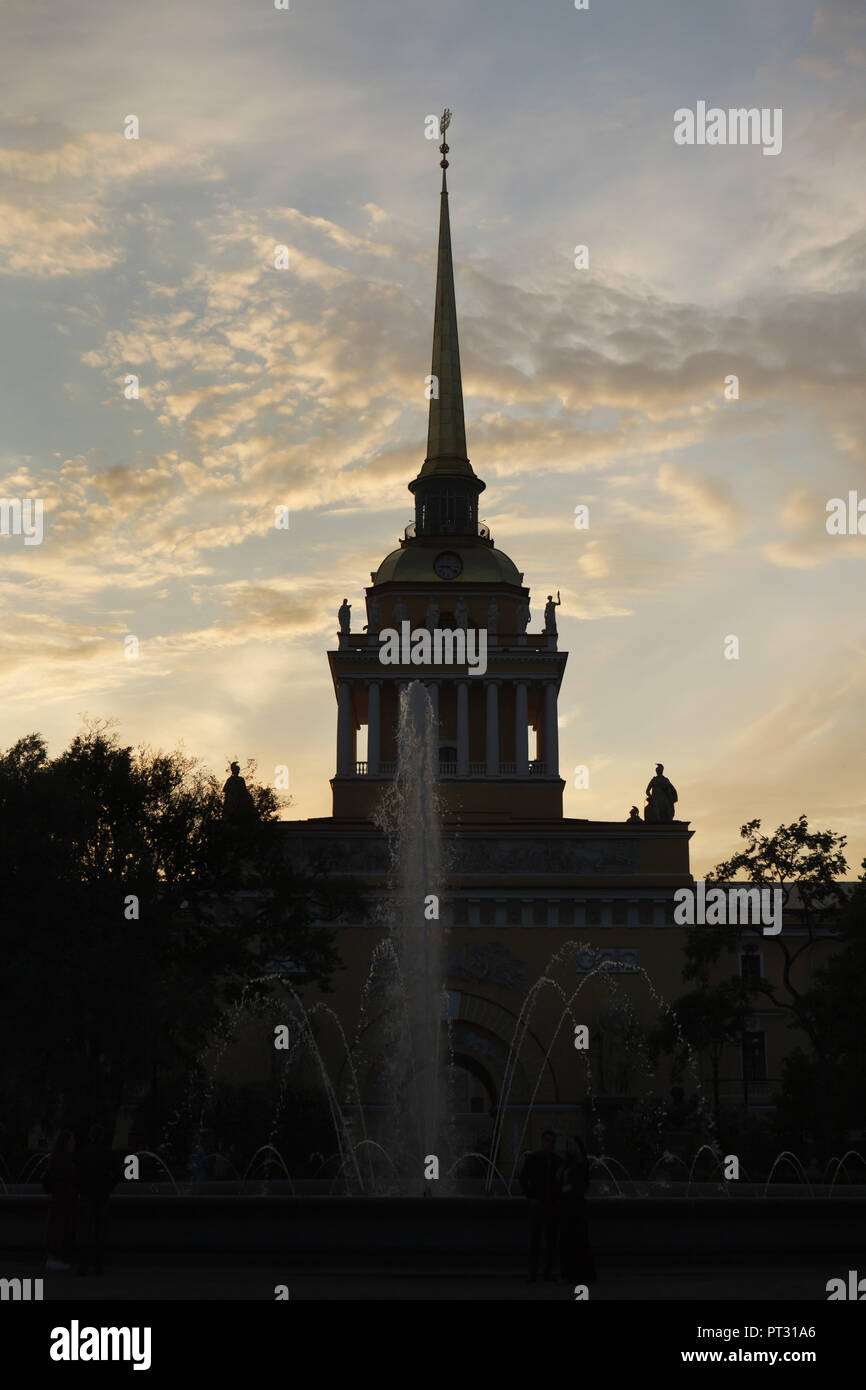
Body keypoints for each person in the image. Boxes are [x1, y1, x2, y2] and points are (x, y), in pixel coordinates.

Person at [74, 1124, 122, 1276]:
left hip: (86, 1195)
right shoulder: (109, 1153)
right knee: (100, 1231)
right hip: (102, 1195)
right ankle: (99, 1266)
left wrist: (80, 1189)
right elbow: (118, 1175)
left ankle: (83, 1265)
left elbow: (76, 1175)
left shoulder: (83, 1153)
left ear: (90, 1136)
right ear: (102, 1136)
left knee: (84, 1231)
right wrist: (109, 1187)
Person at [518, 1129, 562, 1282]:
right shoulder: (533, 1158)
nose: (551, 1144)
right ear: (542, 1142)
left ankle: (547, 1273)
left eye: (553, 1142)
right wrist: (531, 1197)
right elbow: (523, 1178)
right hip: (538, 1203)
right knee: (535, 1240)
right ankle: (533, 1273)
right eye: (548, 1141)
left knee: (551, 1240)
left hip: (552, 1205)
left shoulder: (558, 1160)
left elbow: (560, 1183)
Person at [557, 1135, 596, 1285]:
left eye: (572, 1144)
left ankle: (580, 1274)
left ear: (578, 1146)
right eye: (568, 1145)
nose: (569, 1148)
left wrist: (565, 1188)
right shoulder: (567, 1164)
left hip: (576, 1207)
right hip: (567, 1207)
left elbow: (578, 1186)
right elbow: (563, 1183)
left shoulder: (582, 1164)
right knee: (567, 1241)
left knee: (578, 1240)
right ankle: (569, 1273)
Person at [44, 1130, 77, 1272]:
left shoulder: (55, 1159)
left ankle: (55, 1258)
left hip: (59, 1198)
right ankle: (56, 1258)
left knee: (58, 1227)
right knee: (60, 1228)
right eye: (71, 1141)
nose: (74, 1144)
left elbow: (46, 1181)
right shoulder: (67, 1161)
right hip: (63, 1199)